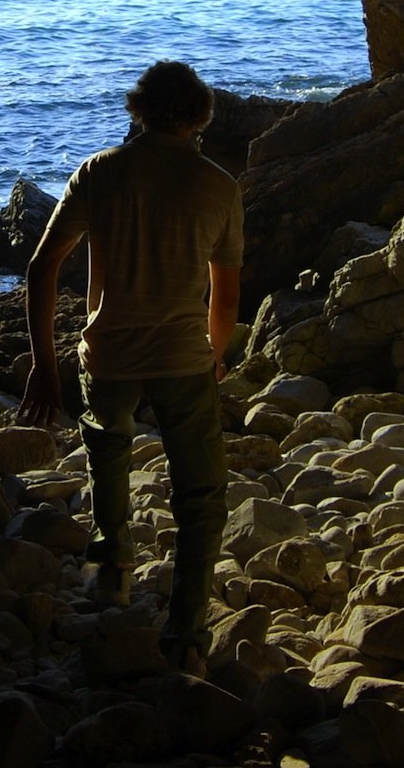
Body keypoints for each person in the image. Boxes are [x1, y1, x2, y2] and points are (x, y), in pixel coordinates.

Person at [17, 60, 243, 673]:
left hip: (108, 353)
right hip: (182, 358)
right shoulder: (218, 185)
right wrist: (215, 353)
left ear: (135, 110)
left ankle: (114, 565)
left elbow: (42, 270)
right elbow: (224, 297)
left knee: (109, 448)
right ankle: (188, 635)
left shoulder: (99, 173)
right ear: (201, 117)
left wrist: (44, 365)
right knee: (201, 496)